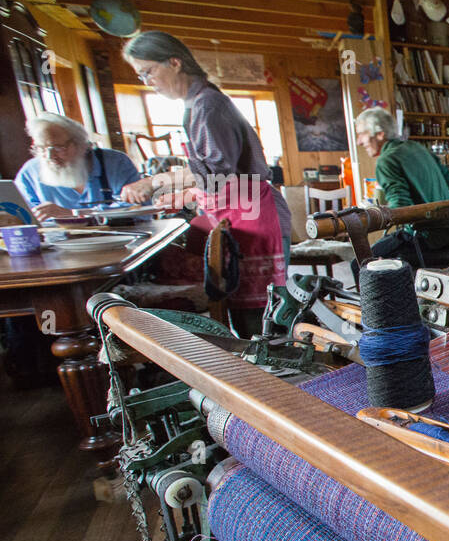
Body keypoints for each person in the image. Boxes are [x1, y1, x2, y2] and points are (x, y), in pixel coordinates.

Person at [120, 31, 288, 334]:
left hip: (253, 215)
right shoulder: (196, 104)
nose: (146, 80)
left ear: (174, 62)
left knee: (262, 321)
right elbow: (217, 174)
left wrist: (155, 181)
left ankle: (280, 378)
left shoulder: (207, 105)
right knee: (248, 316)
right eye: (141, 74)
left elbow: (218, 172)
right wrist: (187, 192)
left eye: (148, 71)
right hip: (241, 212)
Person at [353, 108, 449, 272]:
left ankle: (383, 298)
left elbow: (401, 208)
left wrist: (377, 213)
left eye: (362, 134)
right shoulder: (417, 147)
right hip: (447, 234)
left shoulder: (387, 159)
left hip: (423, 239)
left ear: (380, 134)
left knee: (360, 263)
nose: (359, 142)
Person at [14, 113, 142, 222]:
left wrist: (73, 214)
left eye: (58, 148)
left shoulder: (115, 163)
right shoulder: (29, 172)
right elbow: (22, 216)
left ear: (80, 144)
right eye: (41, 148)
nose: (49, 156)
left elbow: (140, 210)